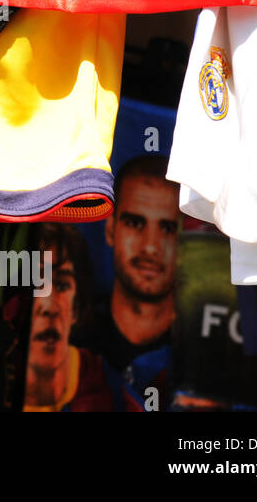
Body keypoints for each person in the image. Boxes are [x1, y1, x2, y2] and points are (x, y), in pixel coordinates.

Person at [75, 155, 180, 398]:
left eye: (167, 228)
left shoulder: (204, 357)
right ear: (110, 229)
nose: (150, 247)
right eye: (135, 223)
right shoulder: (69, 343)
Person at [24, 225, 141, 412]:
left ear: (76, 307)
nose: (49, 306)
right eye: (35, 284)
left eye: (62, 285)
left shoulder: (113, 395)